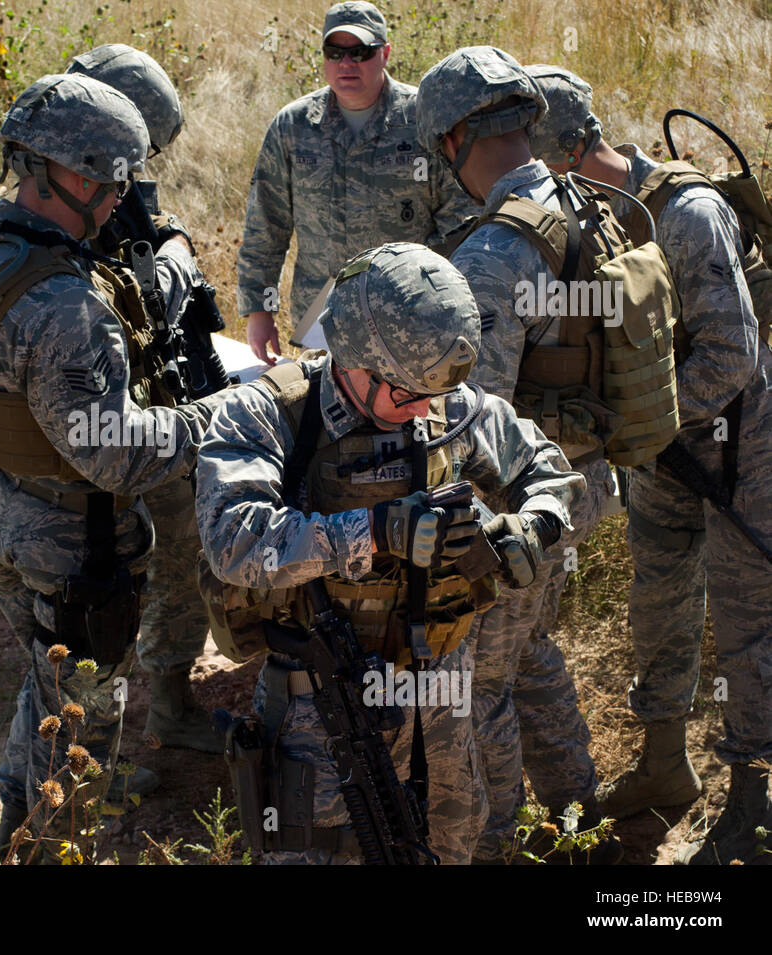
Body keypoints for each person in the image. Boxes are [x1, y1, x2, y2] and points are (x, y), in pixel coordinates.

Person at [0, 73, 227, 859]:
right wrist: (225, 416)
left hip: (10, 515)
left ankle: (11, 830)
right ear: (79, 177)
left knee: (48, 694)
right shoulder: (64, 304)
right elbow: (117, 456)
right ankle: (47, 844)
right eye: (117, 180)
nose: (124, 198)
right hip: (80, 549)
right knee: (79, 747)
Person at [196, 241, 585, 864]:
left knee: (450, 846)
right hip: (321, 705)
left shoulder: (434, 394)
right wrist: (376, 533)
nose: (427, 411)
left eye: (434, 394)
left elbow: (549, 470)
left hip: (440, 696)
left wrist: (528, 527)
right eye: (407, 395)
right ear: (355, 357)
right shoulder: (267, 415)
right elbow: (234, 540)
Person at [527, 64, 772, 865]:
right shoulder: (590, 213)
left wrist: (645, 421)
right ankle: (667, 765)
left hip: (739, 442)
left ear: (570, 149)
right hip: (660, 449)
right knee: (659, 601)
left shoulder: (688, 213)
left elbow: (733, 356)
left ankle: (754, 802)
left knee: (746, 621)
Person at [415, 47, 625, 862]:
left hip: (518, 509)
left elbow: (475, 425)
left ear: (454, 137)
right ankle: (582, 809)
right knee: (531, 649)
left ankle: (496, 842)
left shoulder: (494, 254)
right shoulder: (586, 203)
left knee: (478, 687)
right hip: (580, 483)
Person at [66, 44, 225, 758]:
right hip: (110, 432)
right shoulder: (63, 205)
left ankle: (168, 703)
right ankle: (90, 766)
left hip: (157, 415)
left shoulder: (109, 182)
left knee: (179, 563)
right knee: (109, 599)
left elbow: (149, 228)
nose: (137, 169)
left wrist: (176, 246)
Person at [236, 1, 474, 364]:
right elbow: (266, 225)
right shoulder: (294, 126)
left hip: (410, 318)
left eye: (360, 51)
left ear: (385, 53)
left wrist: (428, 292)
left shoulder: (423, 120)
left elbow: (459, 216)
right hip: (322, 321)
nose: (346, 63)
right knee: (323, 413)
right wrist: (259, 309)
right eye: (336, 52)